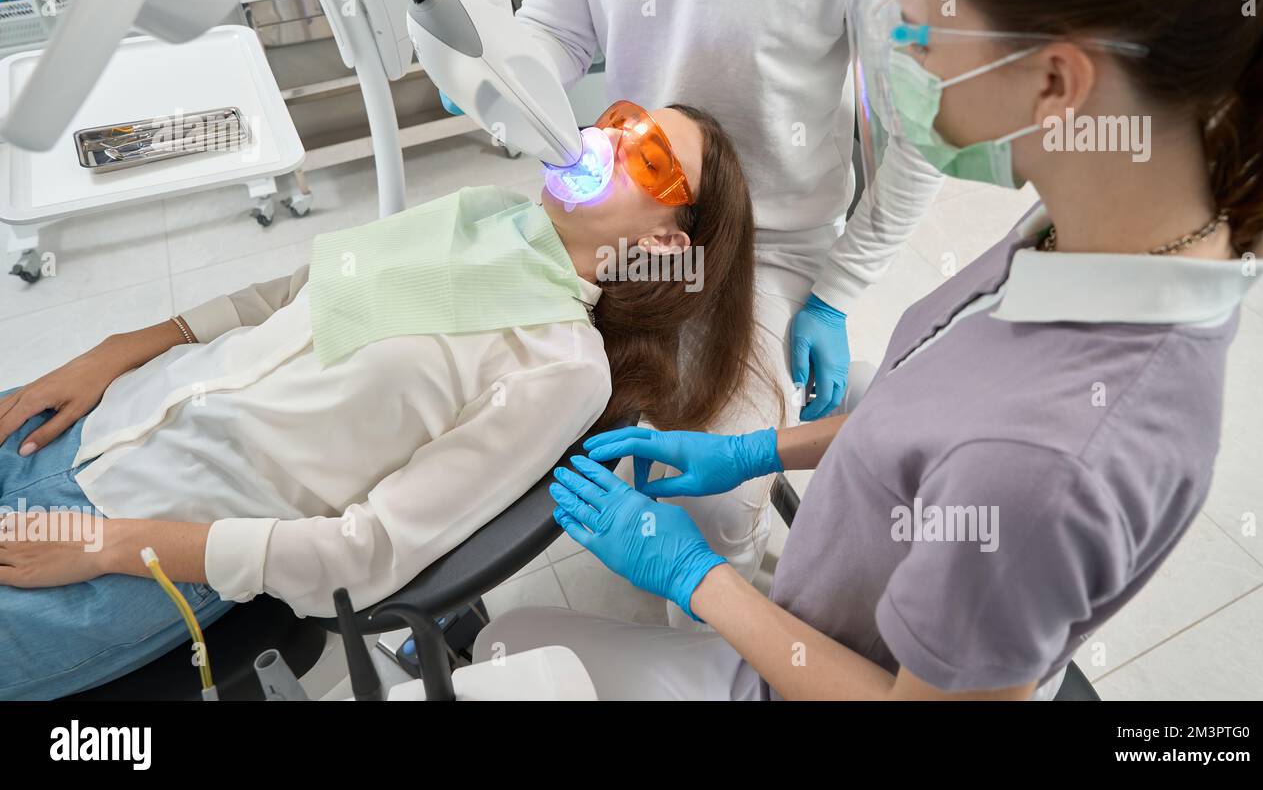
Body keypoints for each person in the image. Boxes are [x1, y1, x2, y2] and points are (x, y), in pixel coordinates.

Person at [473, 0, 1263, 699]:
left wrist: (695, 578)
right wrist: (758, 451)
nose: (894, 57)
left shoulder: (1050, 468)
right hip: (823, 611)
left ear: (1055, 84)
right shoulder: (1092, 222)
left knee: (506, 654)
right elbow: (925, 424)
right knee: (519, 640)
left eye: (923, 31)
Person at [0, 104, 757, 699]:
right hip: (110, 411)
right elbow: (296, 292)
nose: (605, 140)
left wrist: (109, 545)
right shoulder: (481, 211)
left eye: (648, 157)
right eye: (619, 120)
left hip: (136, 543)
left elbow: (364, 555)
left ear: (662, 243)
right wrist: (127, 346)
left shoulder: (559, 365)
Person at [498, 0, 946, 623]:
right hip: (631, 217)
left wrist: (837, 292)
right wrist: (499, 73)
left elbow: (927, 136)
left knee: (711, 493)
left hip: (766, 244)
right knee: (488, 373)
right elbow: (559, 31)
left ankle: (716, 636)